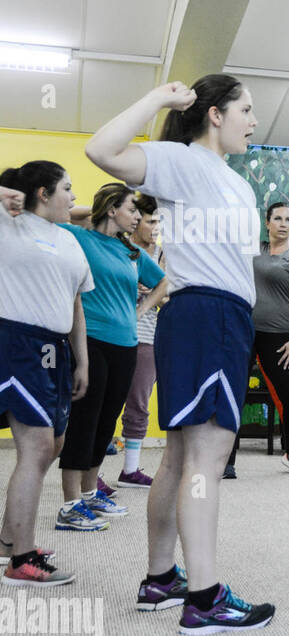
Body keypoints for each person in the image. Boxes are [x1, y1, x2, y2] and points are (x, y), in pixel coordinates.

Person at [86, 74, 275, 632]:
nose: (254, 120)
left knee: (178, 457)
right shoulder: (183, 160)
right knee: (207, 461)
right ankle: (205, 598)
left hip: (217, 318)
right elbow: (101, 149)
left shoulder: (233, 183)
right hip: (207, 318)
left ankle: (161, 578)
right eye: (246, 108)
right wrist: (160, 100)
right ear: (214, 114)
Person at [0, 162, 92, 582]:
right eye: (67, 189)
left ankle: (6, 540)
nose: (74, 197)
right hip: (18, 344)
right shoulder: (10, 223)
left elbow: (76, 304)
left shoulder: (71, 241)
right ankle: (22, 558)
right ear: (42, 192)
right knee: (36, 449)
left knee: (52, 446)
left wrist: (82, 359)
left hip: (56, 350)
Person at [55, 184, 166, 527]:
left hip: (126, 344)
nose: (137, 217)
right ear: (112, 210)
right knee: (85, 420)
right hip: (91, 340)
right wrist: (98, 209)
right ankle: (70, 503)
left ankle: (90, 493)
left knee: (107, 423)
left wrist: (143, 308)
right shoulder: (80, 238)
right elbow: (58, 215)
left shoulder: (132, 252)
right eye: (131, 209)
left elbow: (164, 282)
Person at [225, 201, 289, 478]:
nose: (283, 223)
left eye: (288, 219)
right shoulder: (253, 250)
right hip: (244, 333)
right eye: (277, 218)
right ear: (267, 223)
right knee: (233, 395)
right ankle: (225, 460)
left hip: (280, 337)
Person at [117, 193, 167, 488]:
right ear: (136, 221)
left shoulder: (163, 254)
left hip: (149, 336)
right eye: (151, 222)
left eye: (159, 223)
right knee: (103, 402)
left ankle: (130, 470)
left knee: (138, 403)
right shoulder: (121, 248)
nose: (156, 228)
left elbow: (170, 296)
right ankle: (88, 471)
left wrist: (151, 295)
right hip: (115, 333)